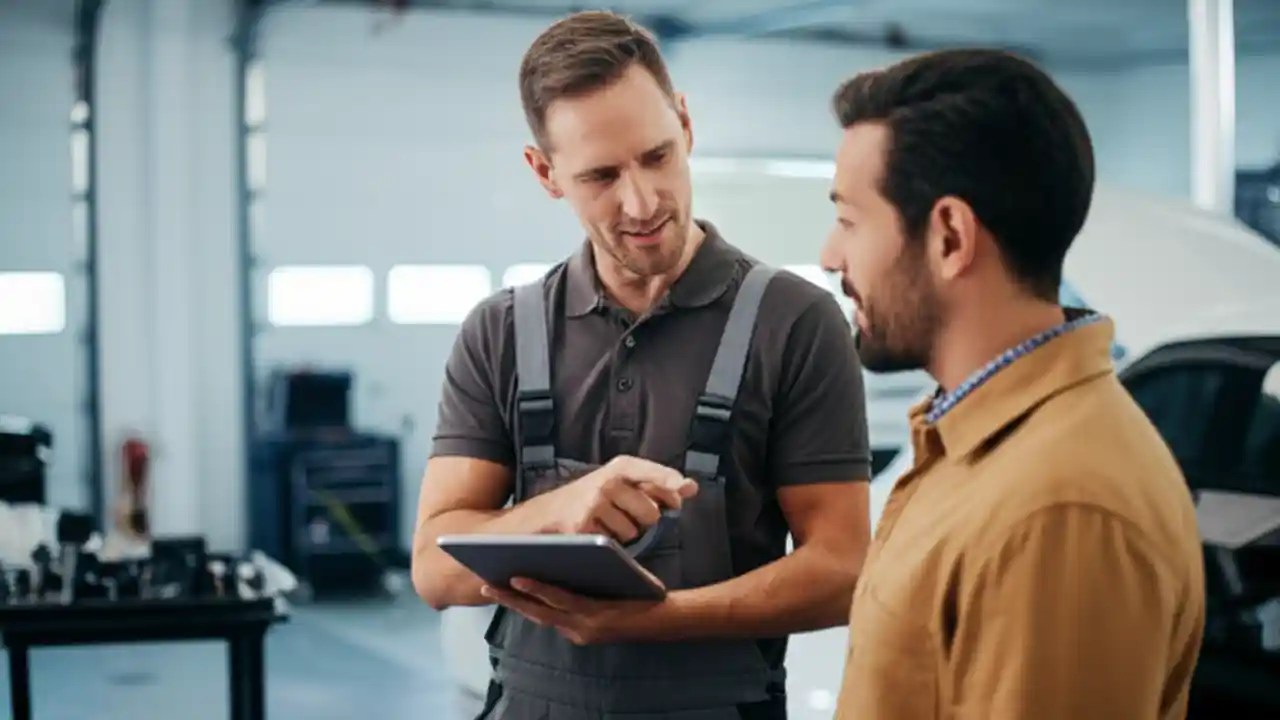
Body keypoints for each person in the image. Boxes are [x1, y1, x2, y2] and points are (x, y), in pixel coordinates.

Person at [411, 11, 873, 720]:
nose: (642, 201)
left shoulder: (796, 323)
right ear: (545, 172)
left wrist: (657, 619)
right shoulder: (499, 333)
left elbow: (842, 571)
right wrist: (557, 513)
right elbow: (434, 570)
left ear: (685, 124)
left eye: (657, 156)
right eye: (601, 175)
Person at [821, 49, 1206, 720]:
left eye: (850, 222)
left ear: (950, 237)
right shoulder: (979, 445)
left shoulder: (1059, 511)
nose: (831, 256)